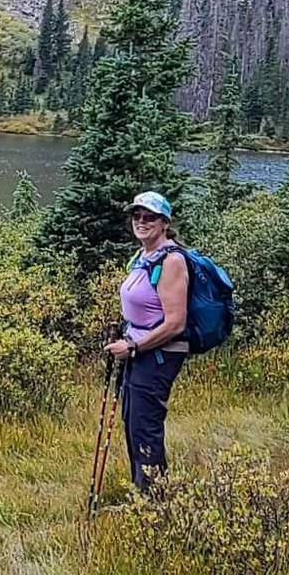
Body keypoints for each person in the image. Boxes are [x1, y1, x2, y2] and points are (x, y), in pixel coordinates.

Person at [104, 190, 190, 493]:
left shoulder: (172, 261)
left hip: (157, 356)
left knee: (145, 429)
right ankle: (143, 495)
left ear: (164, 222)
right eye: (137, 216)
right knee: (133, 424)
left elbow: (175, 322)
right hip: (138, 350)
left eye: (150, 217)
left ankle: (155, 505)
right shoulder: (143, 256)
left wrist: (134, 346)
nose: (141, 221)